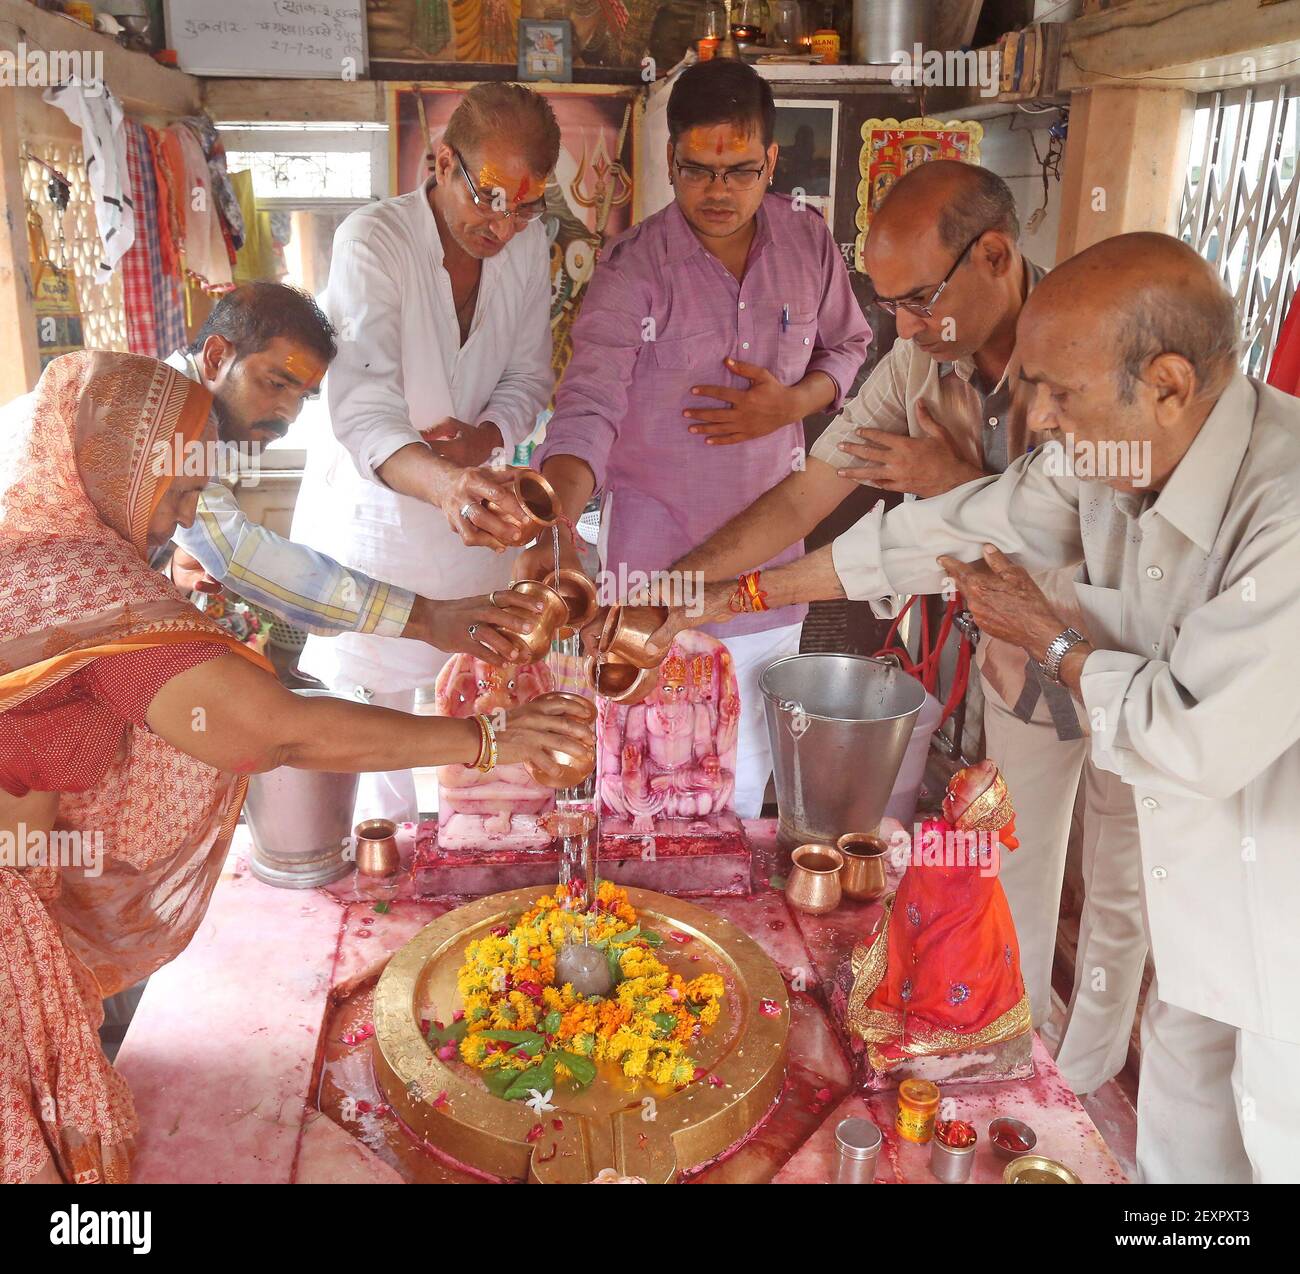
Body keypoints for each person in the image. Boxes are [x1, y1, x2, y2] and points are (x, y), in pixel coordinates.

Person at [656, 233, 1300, 1183]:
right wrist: (729, 597)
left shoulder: (1283, 507)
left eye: (1060, 393)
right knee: (1185, 1131)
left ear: (1166, 384)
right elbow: (943, 534)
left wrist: (1054, 638)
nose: (1035, 418)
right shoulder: (1107, 452)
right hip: (1204, 905)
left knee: (1278, 1132)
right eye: (1030, 386)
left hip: (1278, 903)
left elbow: (1187, 736)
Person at [0, 351, 592, 1184]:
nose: (183, 517)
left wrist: (429, 622)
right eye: (172, 494)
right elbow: (273, 735)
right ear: (109, 469)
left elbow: (257, 579)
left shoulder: (50, 542)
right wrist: (491, 741)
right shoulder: (82, 578)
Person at [671, 159, 1145, 1095]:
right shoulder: (919, 357)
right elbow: (815, 486)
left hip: (1134, 649)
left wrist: (952, 485)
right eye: (887, 304)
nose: (905, 327)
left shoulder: (1093, 347)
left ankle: (1076, 1093)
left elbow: (1032, 518)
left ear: (997, 255)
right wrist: (684, 582)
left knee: (1123, 886)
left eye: (921, 300)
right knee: (1011, 871)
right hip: (1022, 660)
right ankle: (1014, 1068)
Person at [520, 57, 871, 817]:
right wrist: (554, 513)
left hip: (769, 587)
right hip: (651, 587)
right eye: (697, 170)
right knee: (645, 788)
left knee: (741, 790)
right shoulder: (631, 269)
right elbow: (588, 405)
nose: (718, 192)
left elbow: (848, 348)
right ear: (670, 158)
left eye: (741, 170)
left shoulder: (809, 244)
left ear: (772, 160)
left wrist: (794, 404)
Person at [290, 82, 562, 824]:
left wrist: (484, 438)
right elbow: (364, 407)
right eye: (490, 195)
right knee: (381, 781)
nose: (503, 224)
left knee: (480, 766)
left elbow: (529, 375)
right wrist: (444, 483)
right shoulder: (374, 241)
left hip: (474, 546)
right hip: (375, 541)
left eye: (526, 205)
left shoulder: (529, 245)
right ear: (443, 162)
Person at [163, 282, 540, 666]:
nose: (288, 414)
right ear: (215, 357)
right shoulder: (173, 417)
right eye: (276, 384)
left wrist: (173, 557)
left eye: (301, 397)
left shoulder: (191, 413)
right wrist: (427, 619)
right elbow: (238, 552)